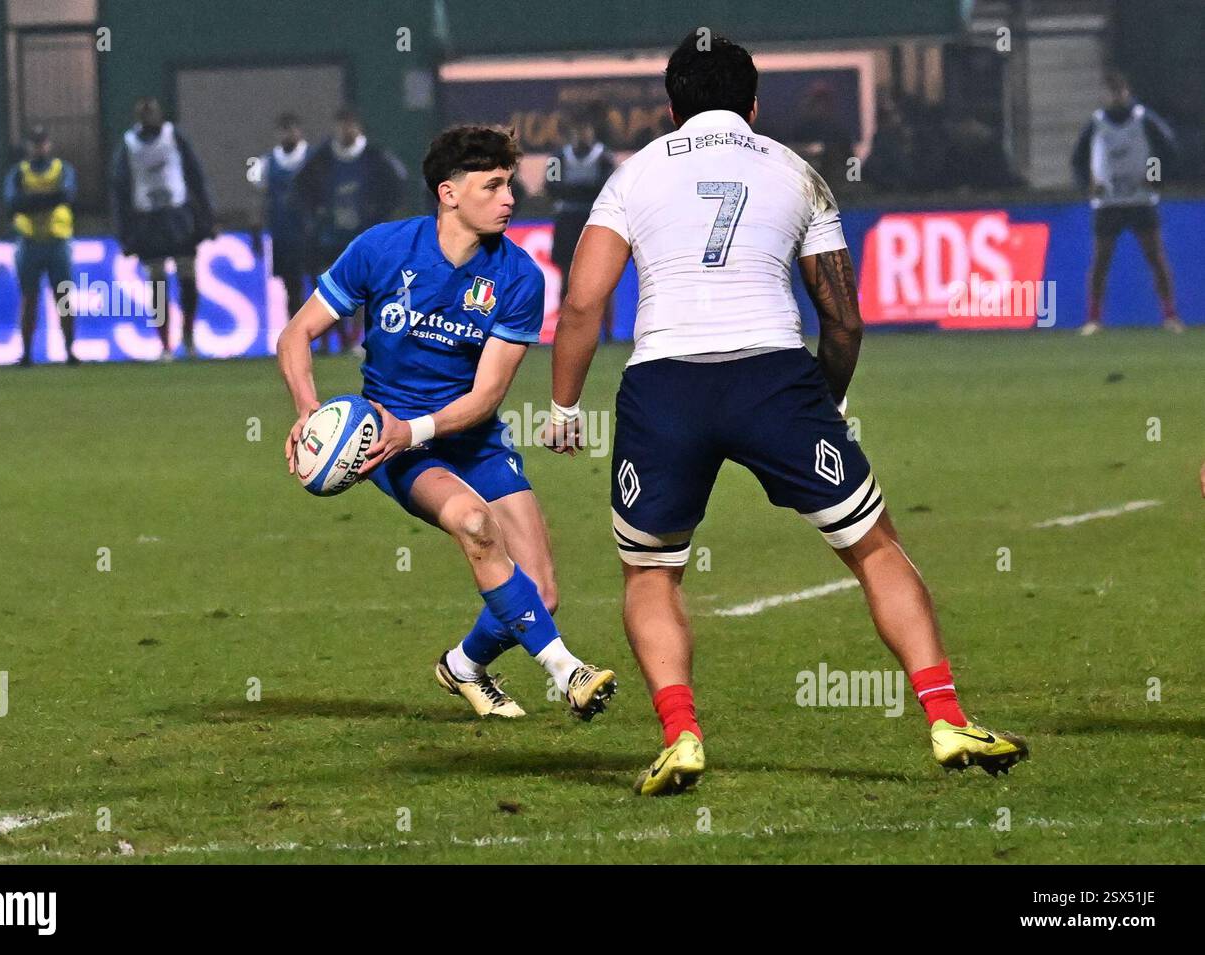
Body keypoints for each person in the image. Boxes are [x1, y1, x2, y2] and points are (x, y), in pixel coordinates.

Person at [545, 31, 1028, 795]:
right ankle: (945, 716)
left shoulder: (631, 177)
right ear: (755, 104)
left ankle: (682, 735)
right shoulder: (795, 171)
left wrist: (563, 405)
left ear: (670, 109)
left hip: (665, 383)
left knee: (650, 570)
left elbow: (581, 301)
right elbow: (842, 319)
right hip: (774, 376)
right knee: (874, 546)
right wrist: (824, 402)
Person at [277, 125, 616, 721]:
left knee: (543, 593)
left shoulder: (518, 277)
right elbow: (296, 333)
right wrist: (309, 409)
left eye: (510, 184)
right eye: (494, 185)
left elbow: (487, 396)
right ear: (449, 193)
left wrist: (419, 429)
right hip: (391, 444)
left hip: (472, 438)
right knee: (474, 522)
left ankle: (462, 666)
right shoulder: (382, 249)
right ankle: (568, 672)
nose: (510, 197)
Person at [1071, 71, 1184, 335]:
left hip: (1139, 199)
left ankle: (1170, 315)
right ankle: (1094, 319)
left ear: (1126, 92)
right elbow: (1078, 159)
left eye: (1119, 91)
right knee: (1101, 261)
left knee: (1155, 257)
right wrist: (1088, 184)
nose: (1115, 97)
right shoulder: (1097, 123)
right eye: (1110, 92)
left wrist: (1154, 177)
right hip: (1108, 201)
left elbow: (1166, 150)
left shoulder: (1143, 119)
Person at [110, 97, 218, 360]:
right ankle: (165, 345)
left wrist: (206, 217)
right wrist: (124, 232)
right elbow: (120, 188)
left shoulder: (174, 137)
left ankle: (189, 338)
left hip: (177, 216)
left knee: (187, 279)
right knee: (157, 285)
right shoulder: (129, 145)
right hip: (148, 220)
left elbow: (195, 176)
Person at [293, 108, 407, 355]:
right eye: (341, 125)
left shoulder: (376, 158)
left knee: (364, 288)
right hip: (329, 235)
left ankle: (356, 338)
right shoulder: (321, 158)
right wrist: (315, 214)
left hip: (364, 235)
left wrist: (380, 216)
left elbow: (397, 187)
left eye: (350, 125)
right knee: (329, 287)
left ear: (359, 128)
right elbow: (301, 187)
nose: (345, 130)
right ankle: (335, 338)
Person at [3, 126, 78, 366]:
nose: (39, 147)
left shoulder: (61, 169)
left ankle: (69, 350)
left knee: (63, 297)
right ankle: (26, 353)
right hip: (30, 241)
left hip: (56, 241)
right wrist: (50, 199)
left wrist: (31, 202)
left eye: (42, 142)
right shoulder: (19, 172)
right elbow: (13, 203)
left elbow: (67, 195)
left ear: (49, 144)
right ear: (29, 146)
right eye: (35, 143)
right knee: (29, 298)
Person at [547, 105, 617, 332]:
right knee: (566, 273)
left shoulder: (604, 157)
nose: (581, 134)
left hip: (593, 219)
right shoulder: (557, 158)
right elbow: (551, 186)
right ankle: (563, 326)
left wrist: (574, 190)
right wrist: (585, 190)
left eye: (585, 129)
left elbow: (608, 186)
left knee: (602, 276)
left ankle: (607, 331)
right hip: (567, 220)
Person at [253, 113, 311, 319]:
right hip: (282, 233)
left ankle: (331, 338)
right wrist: (256, 231)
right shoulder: (266, 162)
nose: (287, 134)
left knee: (320, 283)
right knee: (291, 287)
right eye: (283, 129)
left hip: (310, 233)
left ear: (299, 131)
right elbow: (260, 199)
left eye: (291, 128)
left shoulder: (313, 158)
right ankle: (296, 334)